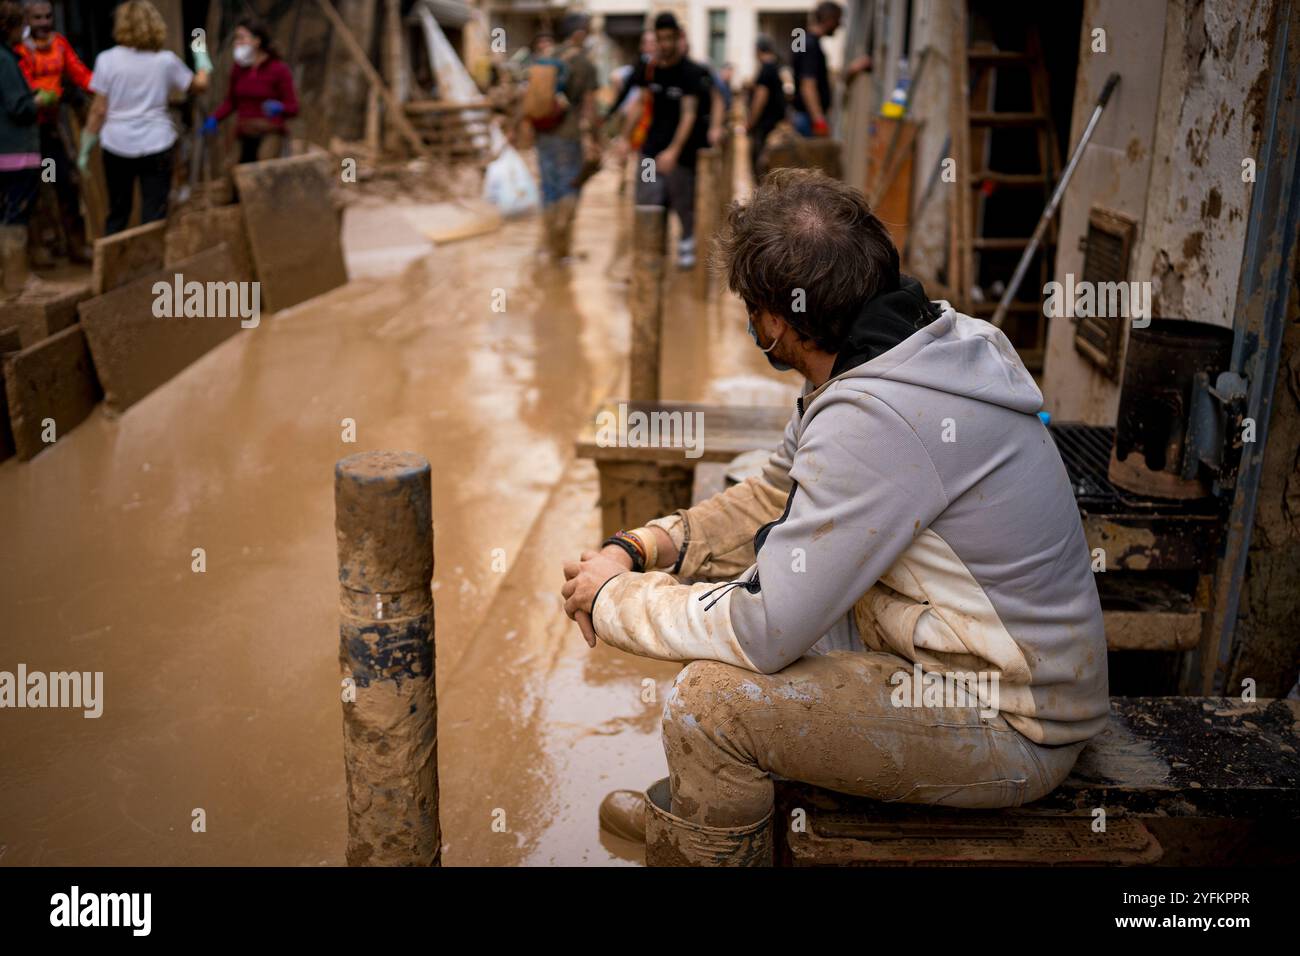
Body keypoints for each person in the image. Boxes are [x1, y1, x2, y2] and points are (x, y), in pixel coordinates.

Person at [561, 169, 1109, 866]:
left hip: (1015, 725)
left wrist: (613, 601)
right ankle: (708, 816)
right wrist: (642, 546)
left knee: (710, 701)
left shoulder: (876, 417)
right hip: (966, 659)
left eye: (752, 309)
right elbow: (772, 494)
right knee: (786, 589)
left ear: (775, 320)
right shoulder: (921, 345)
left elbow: (762, 631)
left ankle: (702, 843)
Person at [78, 0, 210, 236]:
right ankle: (150, 269)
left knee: (118, 211)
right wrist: (200, 56)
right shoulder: (165, 61)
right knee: (155, 213)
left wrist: (85, 149)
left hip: (116, 143)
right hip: (157, 142)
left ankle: (113, 267)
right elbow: (199, 85)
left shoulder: (106, 60)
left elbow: (99, 110)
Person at [612, 12, 713, 269]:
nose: (665, 45)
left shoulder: (691, 72)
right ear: (655, 40)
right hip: (650, 151)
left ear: (678, 38)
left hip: (681, 154)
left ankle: (686, 250)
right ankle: (652, 258)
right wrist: (624, 139)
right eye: (660, 39)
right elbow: (639, 105)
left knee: (683, 205)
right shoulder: (650, 69)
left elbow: (689, 114)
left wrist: (673, 151)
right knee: (648, 204)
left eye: (670, 38)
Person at [17, 0, 93, 262]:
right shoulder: (20, 50)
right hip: (26, 131)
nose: (44, 22)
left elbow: (79, 72)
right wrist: (42, 95)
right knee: (34, 188)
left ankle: (75, 242)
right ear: (27, 20)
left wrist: (102, 86)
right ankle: (41, 244)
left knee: (64, 182)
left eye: (48, 16)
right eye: (37, 18)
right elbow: (21, 87)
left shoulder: (59, 44)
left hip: (50, 129)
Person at [528, 13, 597, 264]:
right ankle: (562, 249)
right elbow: (590, 106)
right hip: (569, 136)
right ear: (578, 33)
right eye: (587, 31)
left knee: (548, 187)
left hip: (543, 133)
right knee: (570, 187)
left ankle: (547, 246)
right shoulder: (585, 64)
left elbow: (530, 97)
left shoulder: (546, 57)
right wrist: (595, 138)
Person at [0, 0, 53, 294]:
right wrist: (40, 99)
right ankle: (16, 278)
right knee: (16, 212)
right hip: (16, 153)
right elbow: (17, 106)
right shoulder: (6, 59)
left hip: (7, 153)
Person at [203, 17, 298, 165]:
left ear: (257, 41)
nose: (237, 43)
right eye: (236, 38)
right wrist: (215, 118)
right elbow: (231, 101)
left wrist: (280, 108)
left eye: (241, 38)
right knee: (235, 175)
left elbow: (293, 108)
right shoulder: (238, 69)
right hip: (244, 133)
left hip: (270, 135)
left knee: (262, 176)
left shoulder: (279, 69)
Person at [791, 1, 869, 137]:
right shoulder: (810, 46)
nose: (839, 25)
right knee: (812, 158)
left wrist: (851, 70)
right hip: (808, 119)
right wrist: (819, 120)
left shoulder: (805, 42)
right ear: (829, 20)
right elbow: (808, 86)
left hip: (805, 117)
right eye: (838, 20)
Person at [746, 35, 786, 181]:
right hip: (773, 123)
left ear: (758, 50)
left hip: (765, 125)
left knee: (761, 166)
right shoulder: (775, 66)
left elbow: (760, 98)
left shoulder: (767, 68)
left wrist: (750, 122)